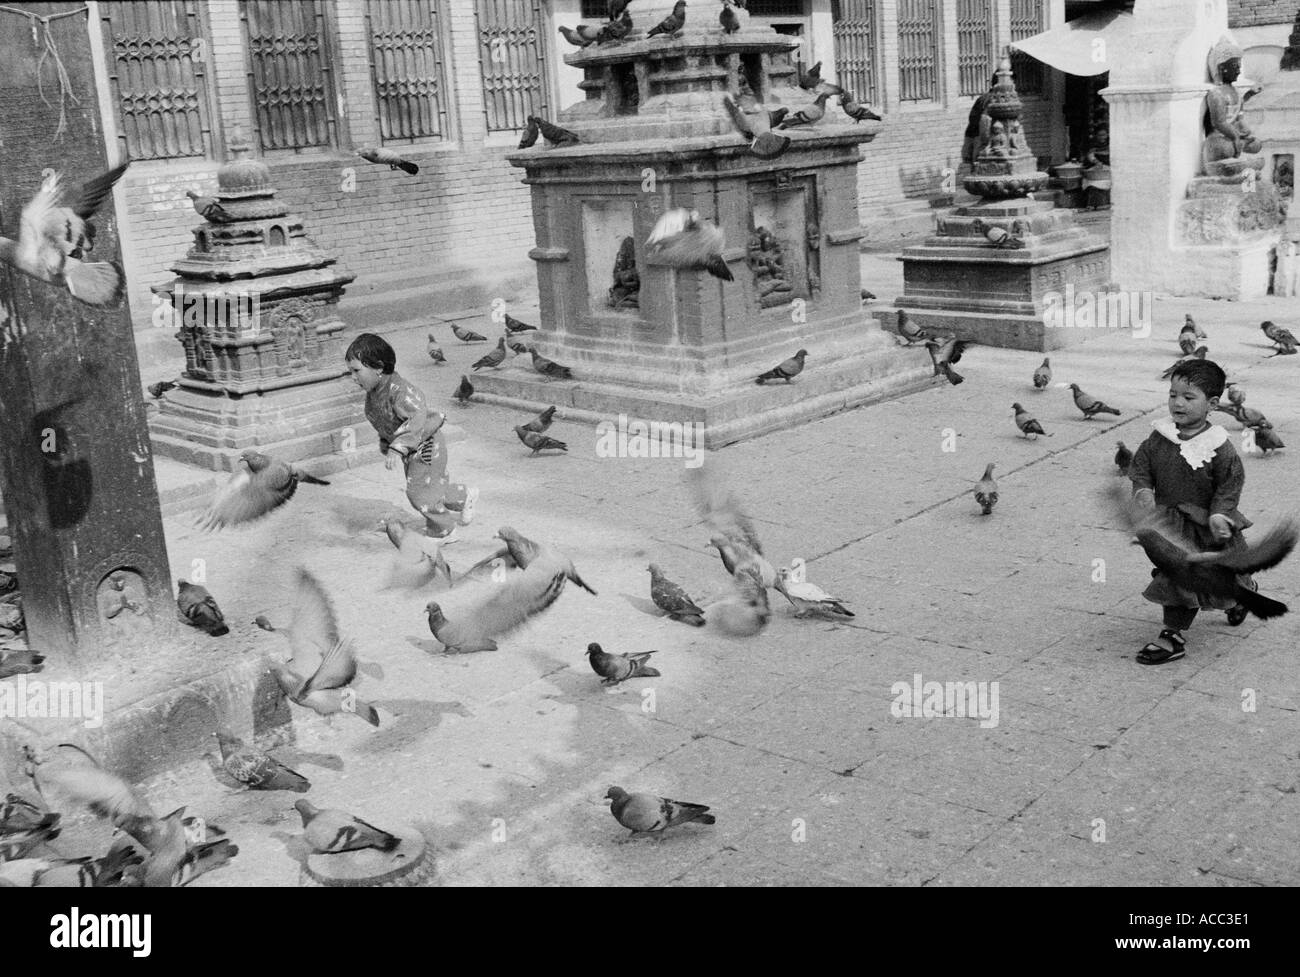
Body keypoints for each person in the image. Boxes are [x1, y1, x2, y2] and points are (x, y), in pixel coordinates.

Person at [1128, 359, 1254, 665]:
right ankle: (1173, 634)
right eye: (1173, 395)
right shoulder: (1160, 437)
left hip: (1208, 528)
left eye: (1188, 397)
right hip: (1170, 527)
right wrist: (1143, 491)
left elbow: (1230, 484)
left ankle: (1240, 594)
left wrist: (1220, 513)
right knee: (1178, 576)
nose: (1177, 403)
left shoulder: (1219, 447)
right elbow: (1142, 466)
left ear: (1211, 403)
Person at [345, 333, 477, 538]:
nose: (353, 378)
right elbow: (383, 421)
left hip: (426, 444)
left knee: (418, 493)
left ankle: (444, 531)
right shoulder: (375, 393)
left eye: (356, 370)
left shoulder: (401, 390)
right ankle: (464, 495)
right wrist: (387, 443)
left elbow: (416, 417)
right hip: (411, 447)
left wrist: (397, 447)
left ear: (378, 367)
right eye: (350, 372)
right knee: (430, 487)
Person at [962, 73, 998, 165]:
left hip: (972, 137)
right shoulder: (994, 100)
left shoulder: (983, 98)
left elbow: (972, 119)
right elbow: (984, 121)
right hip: (982, 140)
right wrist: (985, 144)